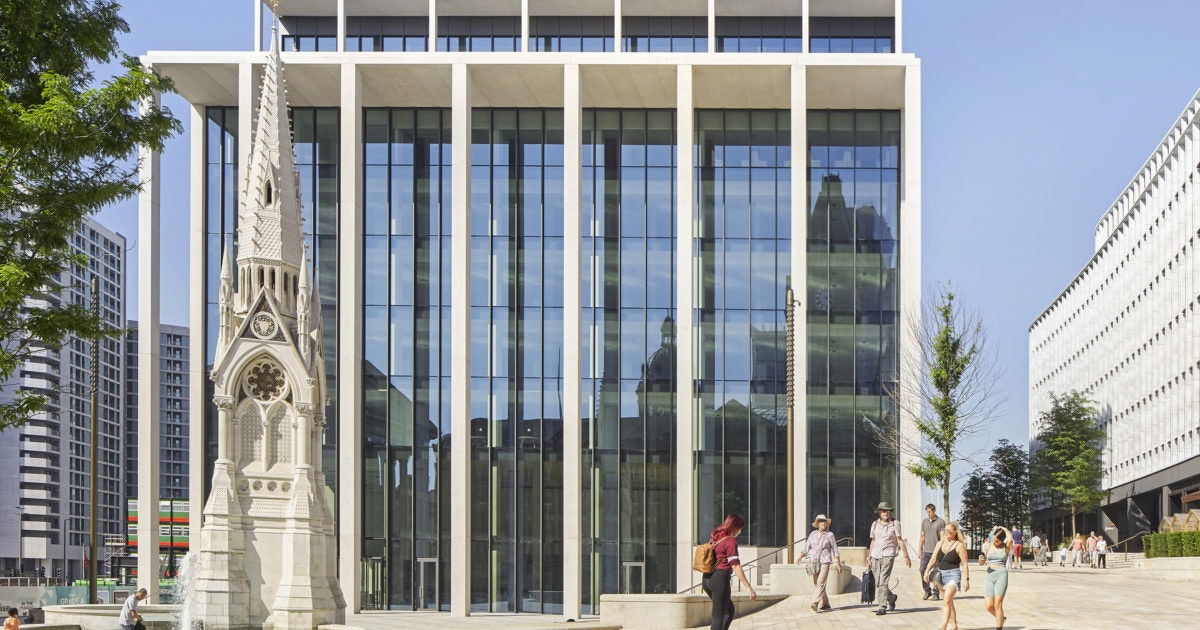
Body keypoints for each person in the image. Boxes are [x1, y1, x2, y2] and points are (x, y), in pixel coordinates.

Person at [702, 513, 757, 630]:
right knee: (718, 617)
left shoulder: (716, 537)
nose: (740, 532)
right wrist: (749, 588)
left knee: (729, 611)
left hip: (707, 579)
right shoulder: (730, 541)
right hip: (720, 579)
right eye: (740, 528)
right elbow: (735, 565)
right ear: (734, 527)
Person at [923, 521, 969, 630]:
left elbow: (965, 563)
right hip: (940, 576)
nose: (946, 532)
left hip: (953, 575)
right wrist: (926, 571)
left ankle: (943, 626)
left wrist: (966, 579)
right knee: (949, 602)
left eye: (949, 530)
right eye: (945, 530)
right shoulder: (940, 543)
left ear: (955, 532)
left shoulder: (959, 545)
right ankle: (954, 626)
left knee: (947, 600)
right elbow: (933, 559)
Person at [867, 501, 911, 616]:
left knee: (883, 581)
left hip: (888, 554)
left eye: (888, 511)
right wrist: (869, 556)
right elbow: (873, 541)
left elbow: (900, 540)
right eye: (883, 511)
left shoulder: (895, 523)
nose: (886, 513)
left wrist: (906, 556)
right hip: (875, 555)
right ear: (879, 512)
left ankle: (882, 606)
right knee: (878, 583)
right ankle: (891, 598)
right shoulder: (875, 524)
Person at [796, 513, 843, 612]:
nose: (823, 523)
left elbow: (835, 550)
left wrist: (838, 564)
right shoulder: (812, 535)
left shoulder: (830, 535)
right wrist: (800, 556)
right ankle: (825, 603)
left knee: (820, 583)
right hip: (814, 562)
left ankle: (815, 602)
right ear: (817, 523)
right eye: (821, 521)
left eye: (824, 521)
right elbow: (806, 548)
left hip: (825, 561)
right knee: (816, 583)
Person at [981, 526, 1013, 630]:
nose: (994, 542)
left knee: (998, 604)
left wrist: (1005, 529)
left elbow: (1010, 539)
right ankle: (1001, 618)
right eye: (994, 539)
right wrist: (981, 560)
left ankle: (999, 627)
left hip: (1001, 575)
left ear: (1002, 540)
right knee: (989, 606)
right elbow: (981, 562)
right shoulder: (988, 546)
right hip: (989, 575)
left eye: (997, 541)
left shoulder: (1006, 548)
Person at [918, 503, 947, 601]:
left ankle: (936, 593)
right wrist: (919, 549)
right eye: (927, 512)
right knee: (922, 570)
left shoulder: (941, 522)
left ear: (934, 511)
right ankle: (927, 590)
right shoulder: (924, 522)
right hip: (926, 551)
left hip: (937, 551)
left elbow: (942, 537)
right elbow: (922, 536)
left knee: (936, 572)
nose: (928, 514)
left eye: (930, 512)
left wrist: (942, 550)